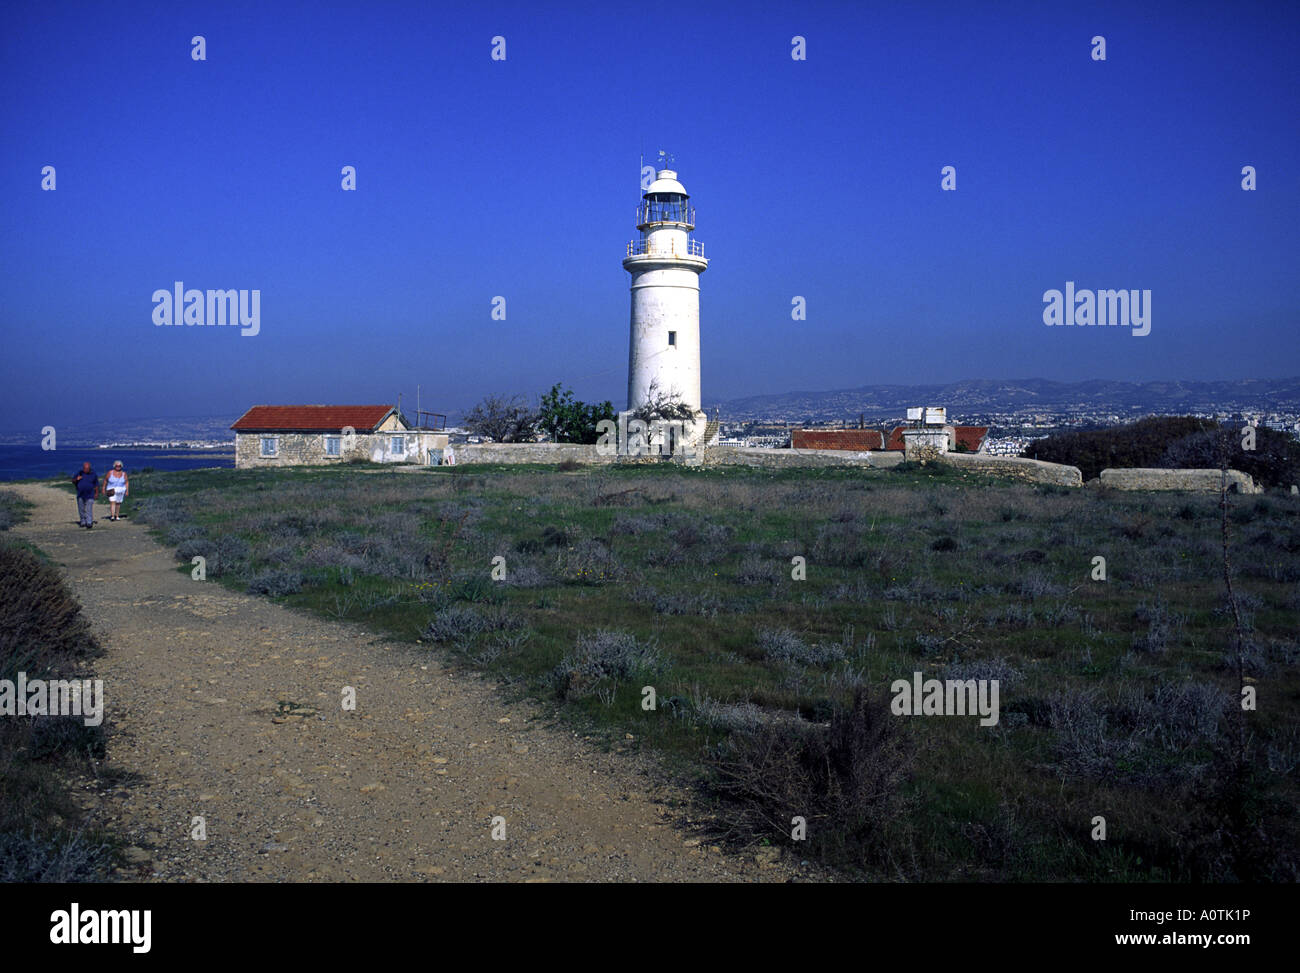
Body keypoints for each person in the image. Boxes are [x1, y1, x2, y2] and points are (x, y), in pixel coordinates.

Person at [72, 461, 101, 528]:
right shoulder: (79, 473)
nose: (85, 470)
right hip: (80, 494)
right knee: (81, 508)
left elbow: (96, 484)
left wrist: (96, 493)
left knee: (89, 508)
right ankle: (83, 521)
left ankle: (89, 522)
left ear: (89, 468)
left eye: (87, 469)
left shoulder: (93, 474)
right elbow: (73, 481)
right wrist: (76, 479)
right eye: (84, 468)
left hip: (90, 494)